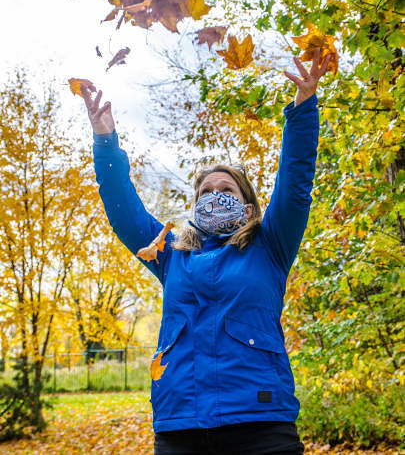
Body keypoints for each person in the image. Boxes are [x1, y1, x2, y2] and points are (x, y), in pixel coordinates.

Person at [81, 47, 331, 455]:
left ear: (248, 207)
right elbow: (122, 209)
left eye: (226, 190)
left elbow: (296, 182)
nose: (214, 197)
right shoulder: (171, 253)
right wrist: (105, 141)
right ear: (194, 207)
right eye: (205, 193)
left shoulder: (271, 245)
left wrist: (303, 109)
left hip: (262, 424)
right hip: (181, 425)